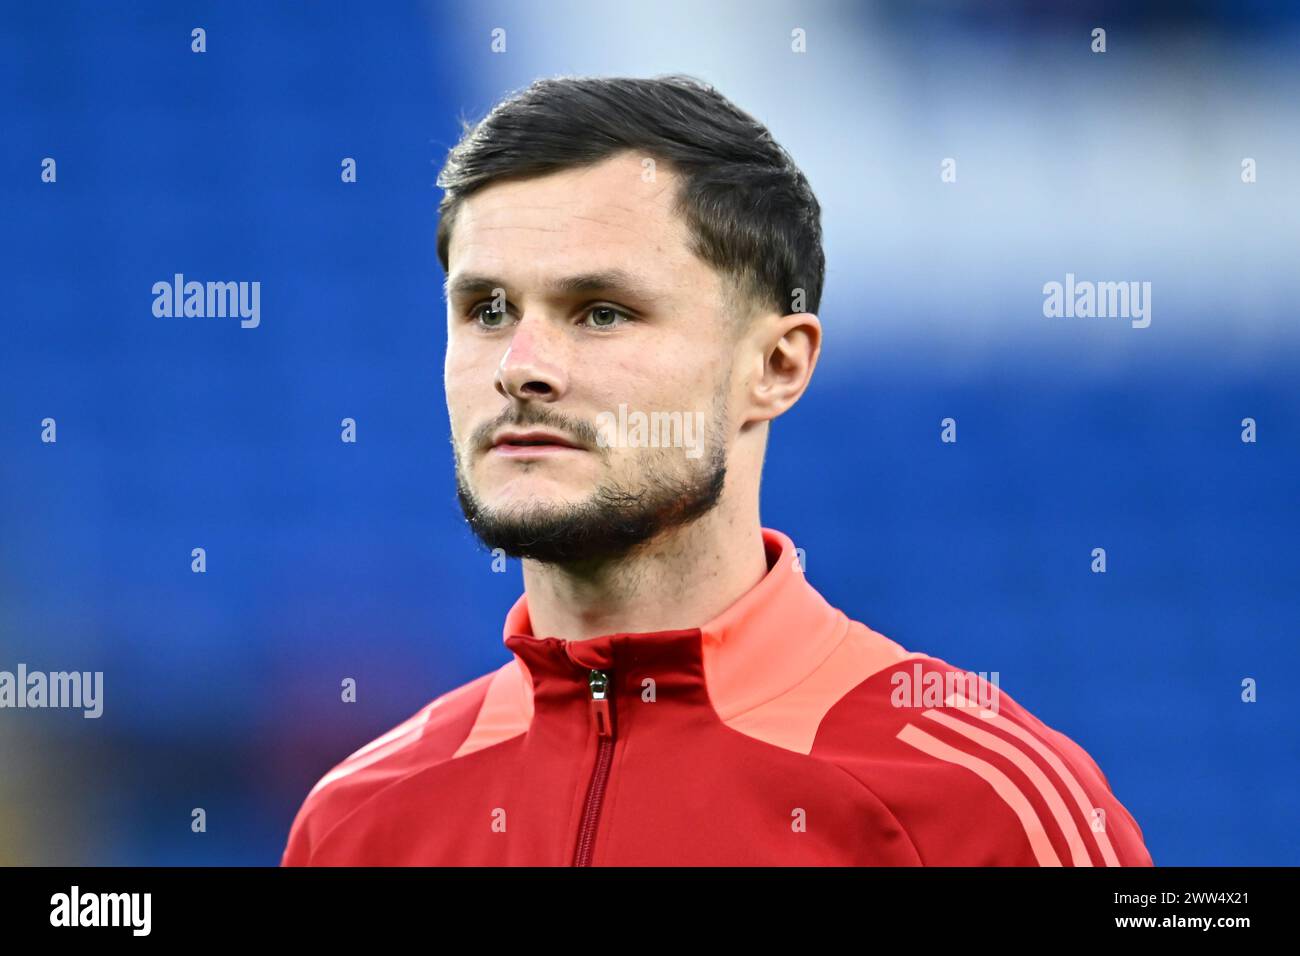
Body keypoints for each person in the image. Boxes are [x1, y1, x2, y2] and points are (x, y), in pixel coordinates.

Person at [281, 74, 1153, 866]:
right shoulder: (359, 825)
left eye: (603, 312)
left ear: (775, 366)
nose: (520, 364)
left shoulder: (981, 807)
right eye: (486, 309)